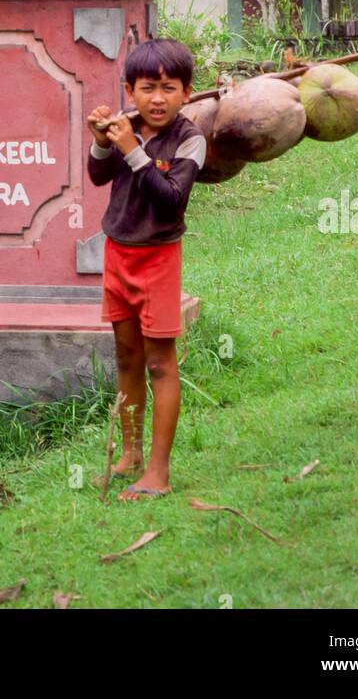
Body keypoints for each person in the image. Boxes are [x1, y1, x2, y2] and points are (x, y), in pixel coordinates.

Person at [87, 38, 206, 499]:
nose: (158, 99)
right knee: (127, 357)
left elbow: (171, 200)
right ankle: (130, 454)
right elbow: (99, 177)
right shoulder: (127, 127)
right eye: (147, 88)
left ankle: (158, 471)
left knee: (159, 362)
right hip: (119, 254)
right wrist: (103, 144)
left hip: (157, 259)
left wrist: (134, 150)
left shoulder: (189, 139)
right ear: (129, 92)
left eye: (169, 88)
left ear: (187, 92)